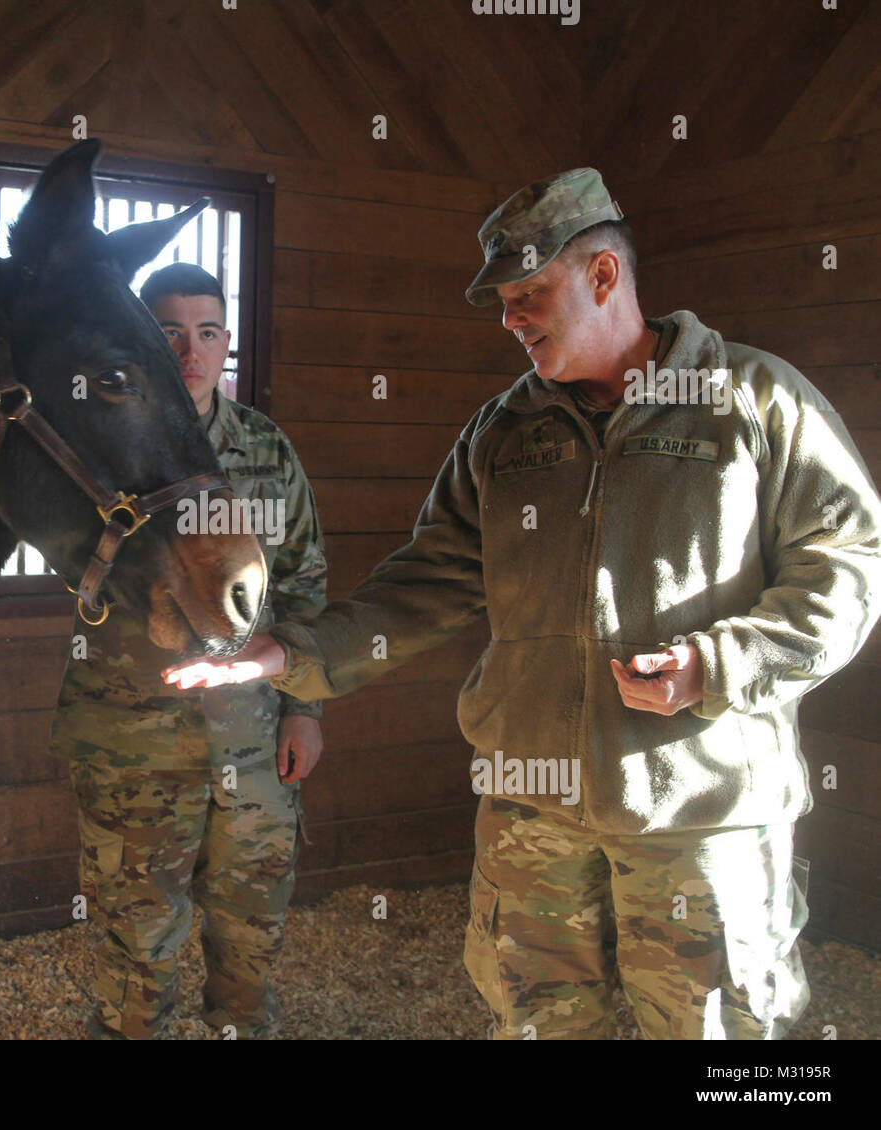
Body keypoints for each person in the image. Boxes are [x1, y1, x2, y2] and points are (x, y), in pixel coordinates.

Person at [164, 169, 881, 1040]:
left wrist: (718, 665)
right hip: (531, 812)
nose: (511, 319)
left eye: (529, 294)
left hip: (701, 815)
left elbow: (850, 565)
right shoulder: (505, 433)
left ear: (604, 275)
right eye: (503, 302)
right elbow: (428, 582)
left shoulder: (755, 401)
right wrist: (292, 652)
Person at [50, 262, 328, 1039]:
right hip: (131, 741)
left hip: (253, 740)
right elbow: (63, 557)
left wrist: (305, 710)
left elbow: (303, 581)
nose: (189, 351)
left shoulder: (266, 451)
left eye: (206, 333)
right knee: (136, 944)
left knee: (251, 935)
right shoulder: (100, 443)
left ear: (227, 342)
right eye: (169, 332)